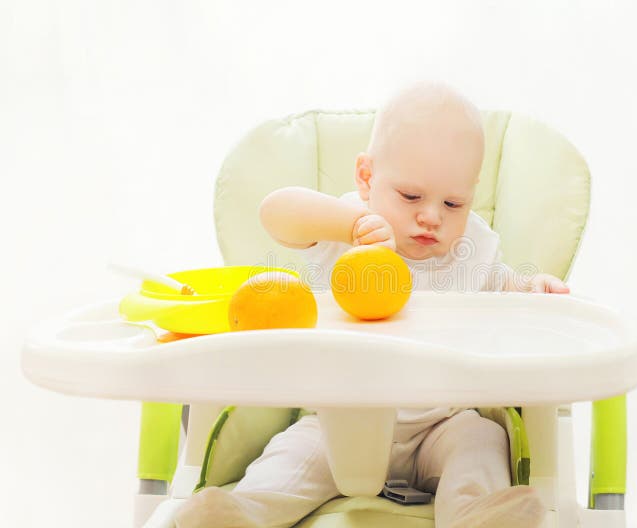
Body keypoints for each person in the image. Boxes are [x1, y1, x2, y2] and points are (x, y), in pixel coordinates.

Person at [175, 82, 569, 528]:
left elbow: (505, 289)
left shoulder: (471, 248)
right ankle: (240, 514)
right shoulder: (342, 229)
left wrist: (533, 288)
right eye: (411, 196)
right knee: (287, 463)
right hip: (337, 422)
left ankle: (472, 514)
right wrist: (350, 225)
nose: (432, 216)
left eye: (453, 202)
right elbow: (275, 211)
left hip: (441, 425)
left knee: (482, 438)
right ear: (366, 178)